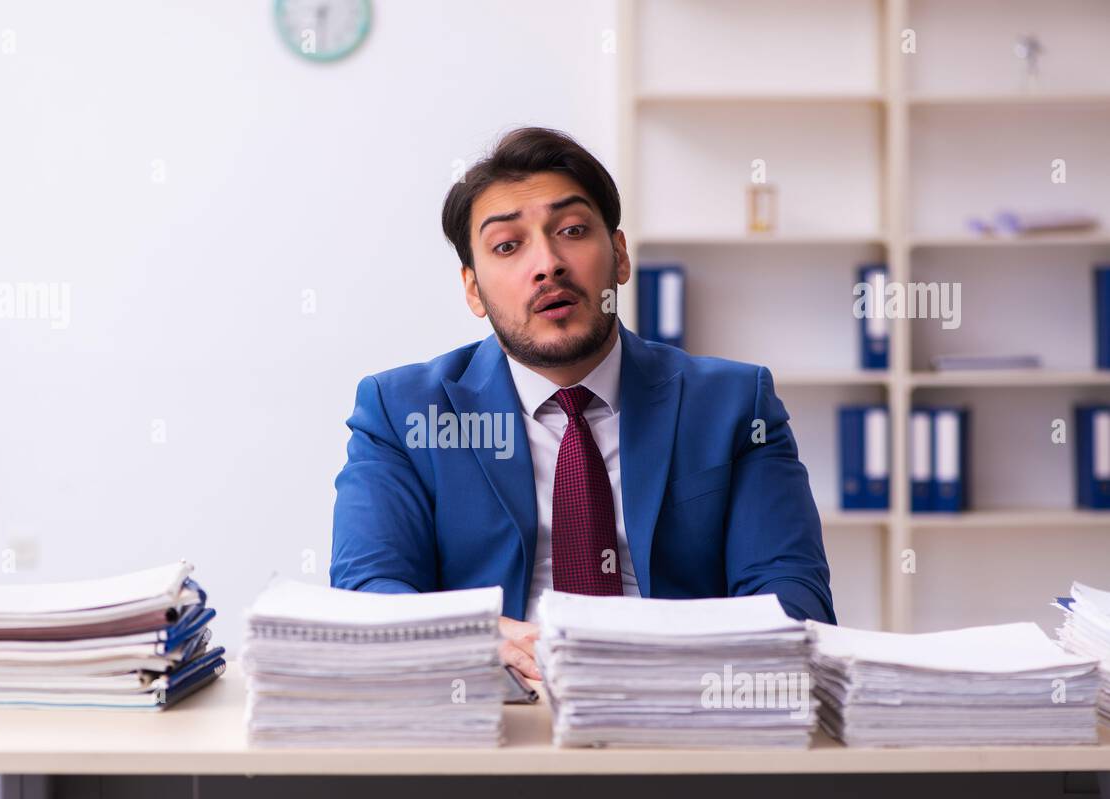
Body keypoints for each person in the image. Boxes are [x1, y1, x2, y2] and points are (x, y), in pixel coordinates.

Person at [331, 127, 834, 680]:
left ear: (619, 255)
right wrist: (471, 635)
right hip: (494, 707)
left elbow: (794, 600)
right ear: (473, 289)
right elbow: (367, 595)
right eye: (507, 245)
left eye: (571, 231)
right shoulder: (402, 414)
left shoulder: (736, 404)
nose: (547, 263)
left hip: (680, 705)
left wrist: (652, 657)